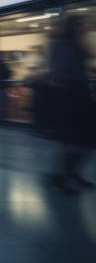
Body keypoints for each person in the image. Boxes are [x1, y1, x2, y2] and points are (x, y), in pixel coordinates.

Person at [45, 15, 95, 194]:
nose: (83, 28)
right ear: (70, 27)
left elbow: (89, 59)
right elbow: (60, 71)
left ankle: (71, 174)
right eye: (79, 25)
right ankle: (61, 177)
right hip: (70, 96)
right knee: (73, 142)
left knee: (87, 141)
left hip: (81, 94)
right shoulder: (59, 44)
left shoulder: (76, 44)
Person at [0, 51, 12, 123]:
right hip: (2, 86)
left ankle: (0, 118)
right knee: (2, 103)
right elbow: (7, 72)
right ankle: (1, 118)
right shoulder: (1, 64)